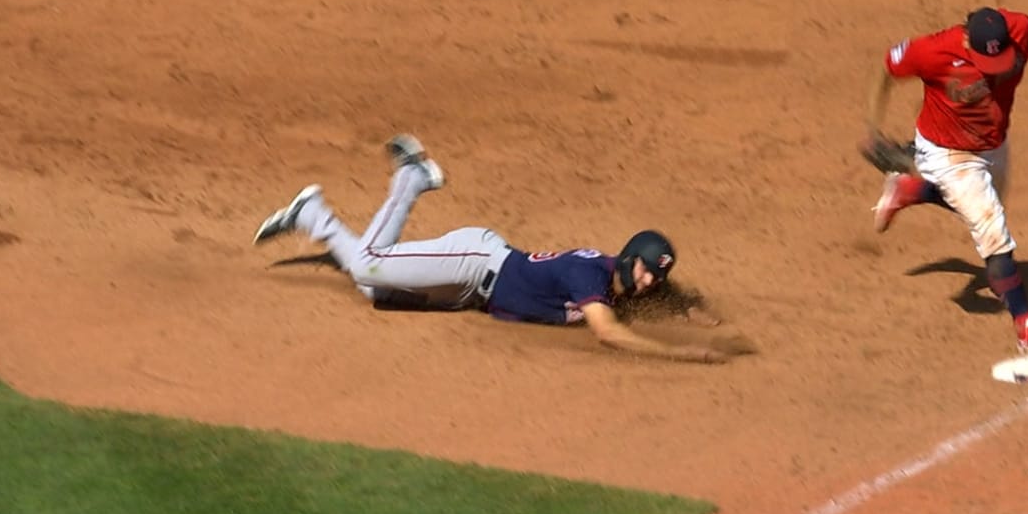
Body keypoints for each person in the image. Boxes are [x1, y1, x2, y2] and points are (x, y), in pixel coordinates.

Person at [252, 134, 738, 364]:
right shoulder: (590, 276)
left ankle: (360, 198)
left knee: (370, 287)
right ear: (628, 258)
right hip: (475, 261)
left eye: (657, 276)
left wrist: (694, 311)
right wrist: (687, 354)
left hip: (471, 294)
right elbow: (608, 336)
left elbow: (669, 295)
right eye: (647, 271)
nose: (649, 281)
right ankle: (341, 203)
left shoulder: (624, 281)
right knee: (370, 265)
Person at [862, 6, 1028, 354]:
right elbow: (886, 67)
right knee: (994, 234)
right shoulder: (933, 51)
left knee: (985, 213)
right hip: (946, 153)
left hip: (993, 145)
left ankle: (909, 189)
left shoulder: (1019, 28)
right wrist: (872, 129)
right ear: (966, 39)